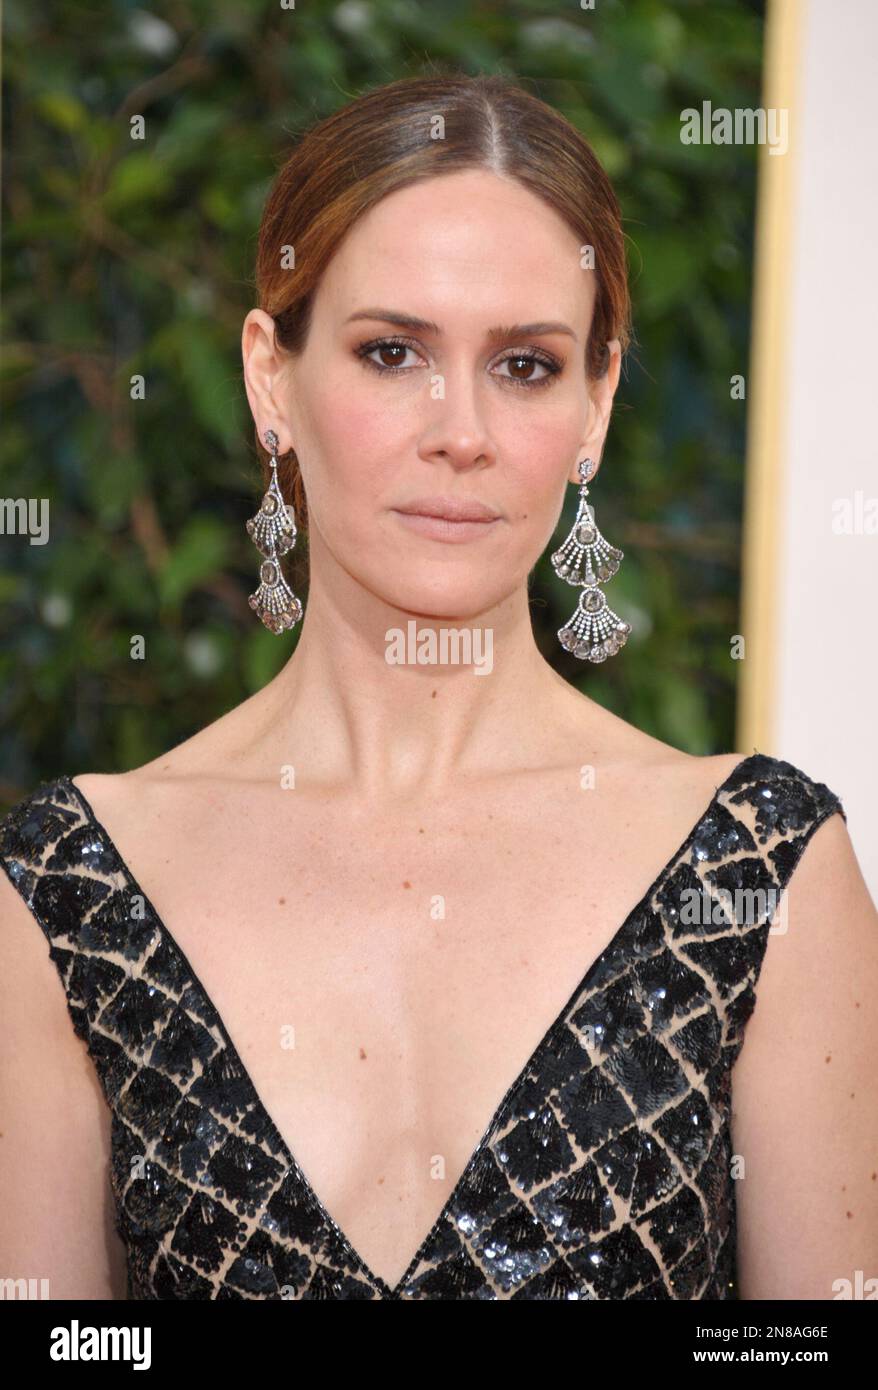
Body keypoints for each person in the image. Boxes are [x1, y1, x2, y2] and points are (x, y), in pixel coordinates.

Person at [1, 73, 875, 1303]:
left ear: (595, 402)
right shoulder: (70, 895)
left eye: (523, 364)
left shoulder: (759, 877)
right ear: (270, 378)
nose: (458, 428)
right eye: (391, 351)